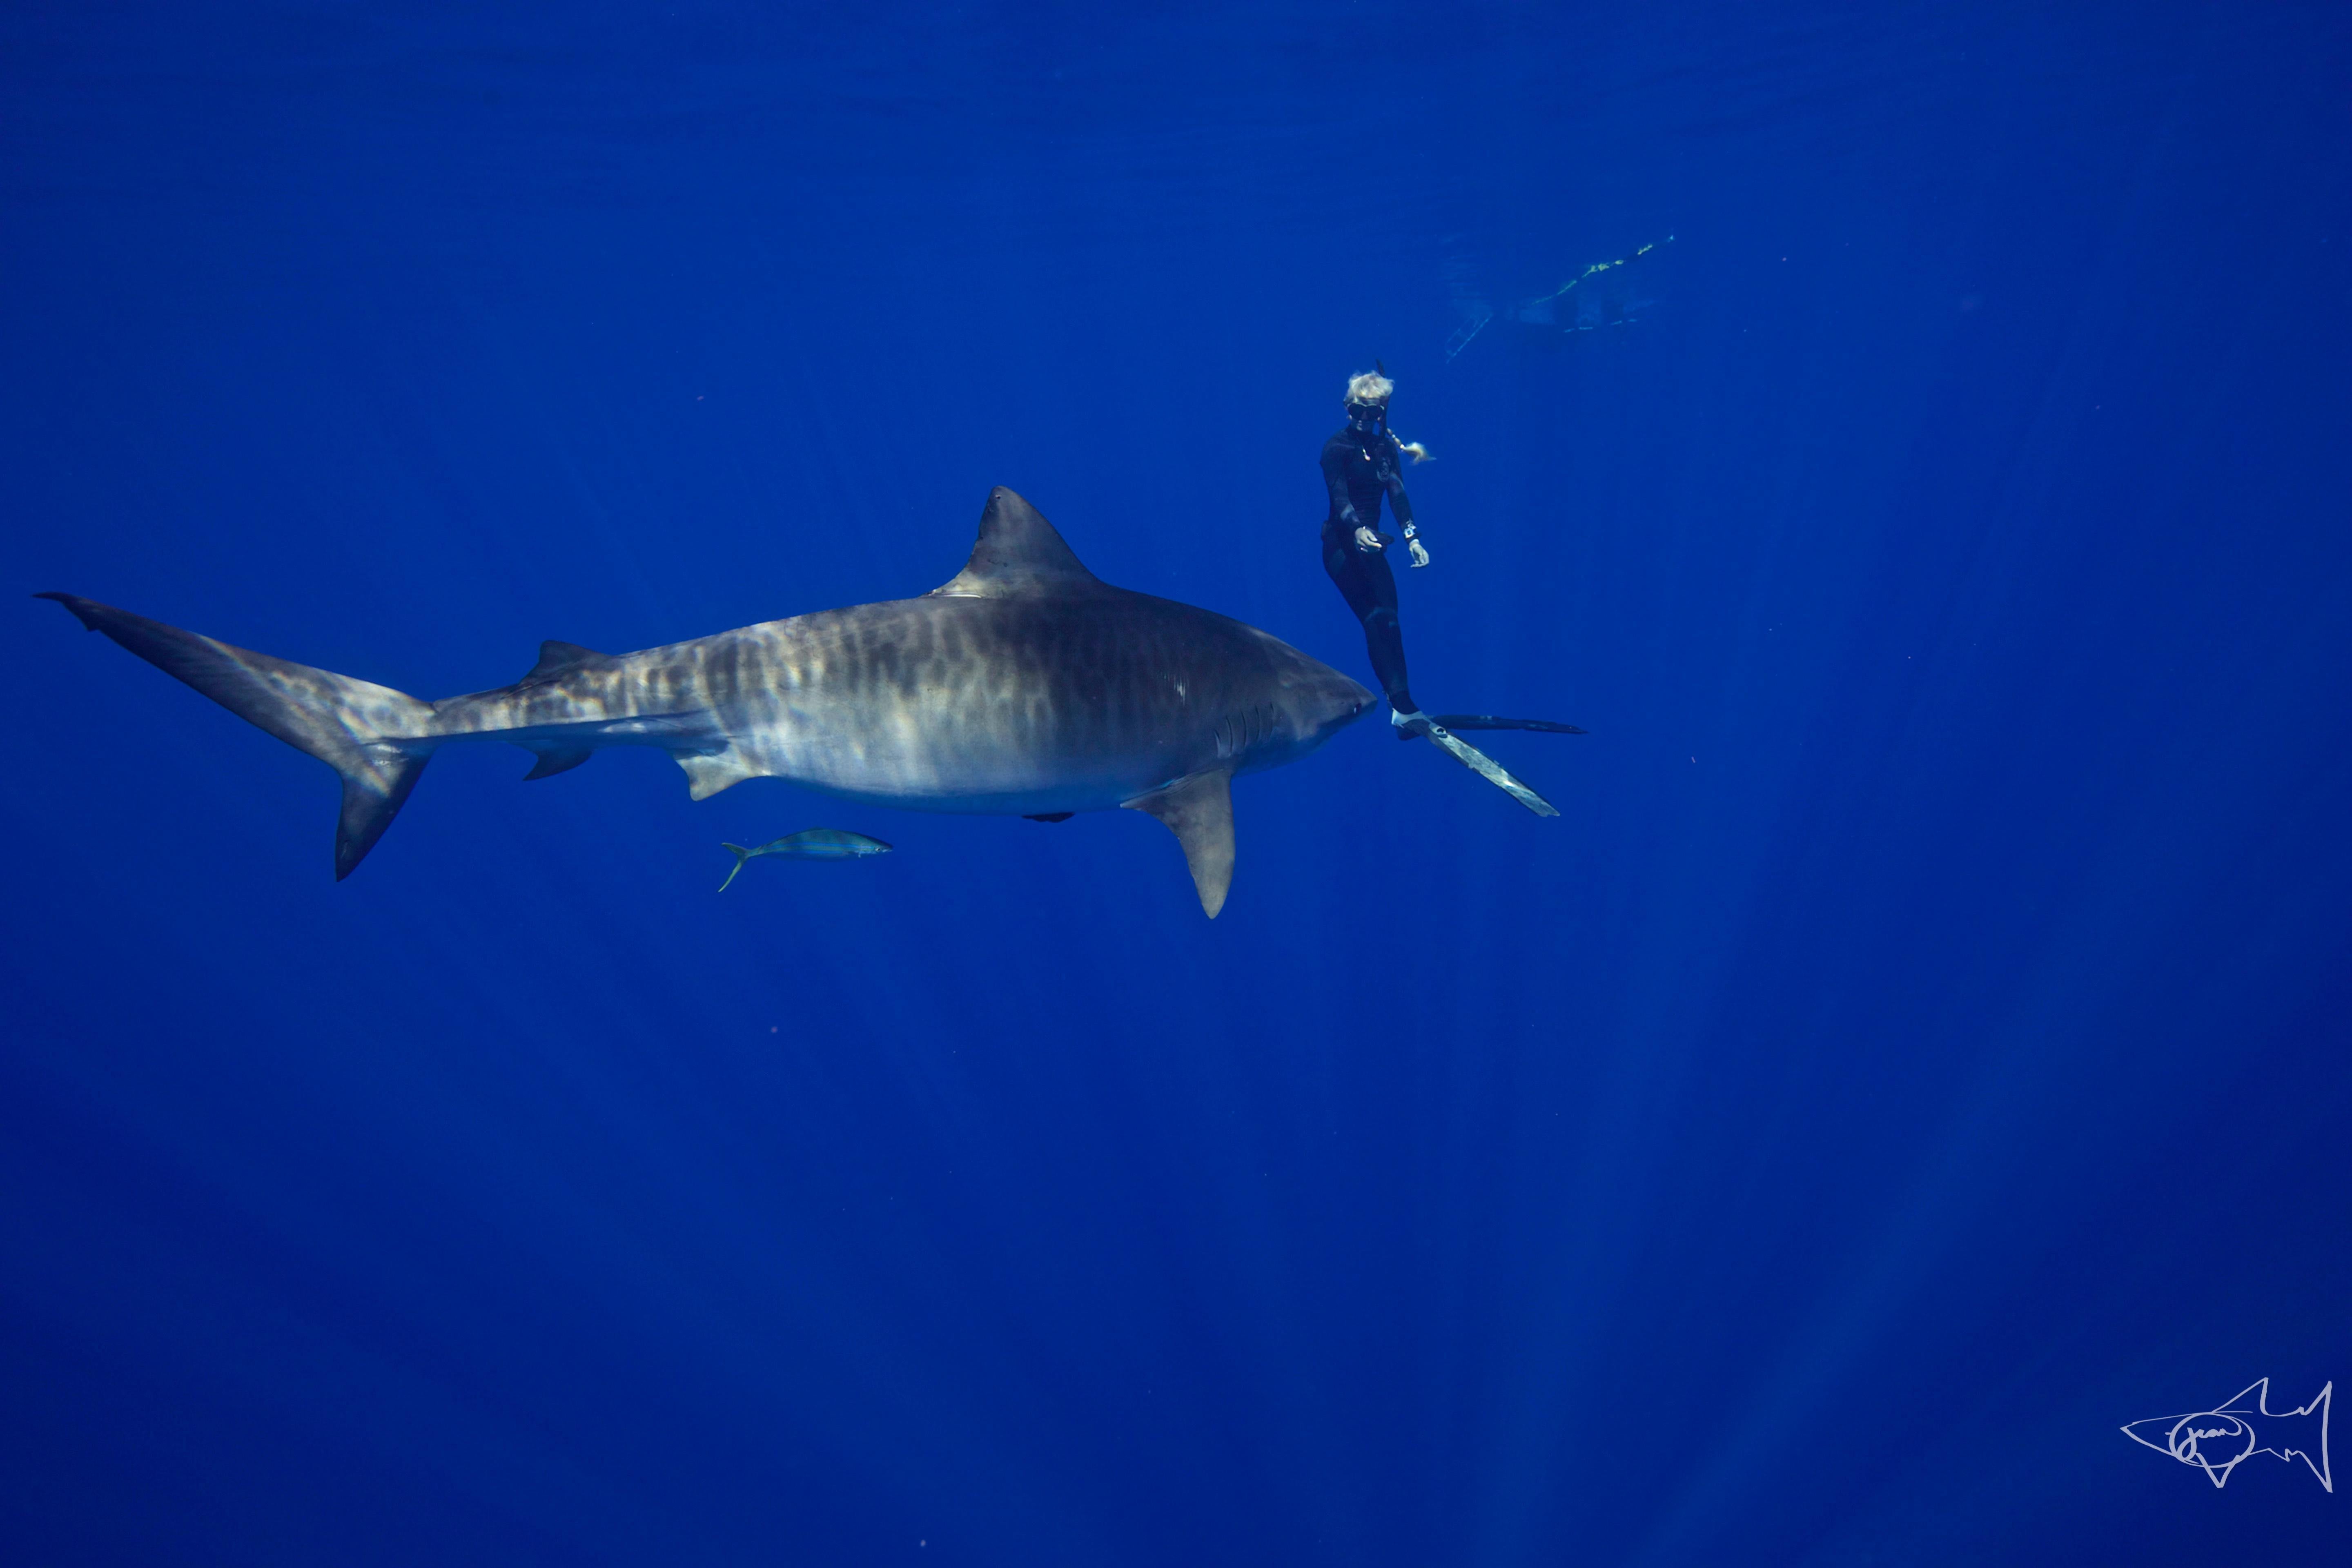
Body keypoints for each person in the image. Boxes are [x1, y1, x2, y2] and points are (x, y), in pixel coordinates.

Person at [1320, 369, 1437, 735]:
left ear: (1381, 413)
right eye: (1357, 411)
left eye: (1371, 412)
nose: (1363, 419)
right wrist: (1357, 529)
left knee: (1390, 620)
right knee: (1374, 617)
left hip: (1372, 545)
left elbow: (1398, 495)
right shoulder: (1336, 449)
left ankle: (1402, 704)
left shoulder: (1385, 449)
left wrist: (1413, 538)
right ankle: (1400, 705)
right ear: (1347, 408)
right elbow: (1339, 497)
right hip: (1341, 545)